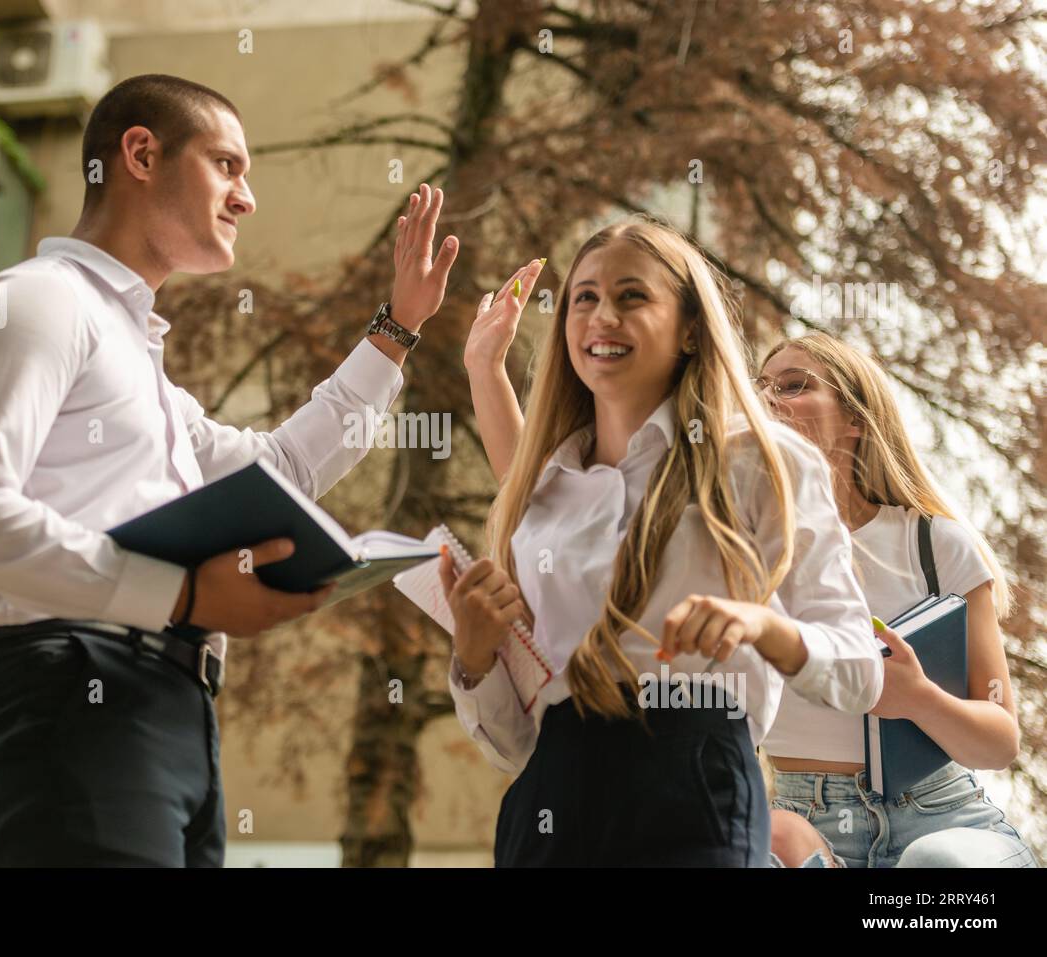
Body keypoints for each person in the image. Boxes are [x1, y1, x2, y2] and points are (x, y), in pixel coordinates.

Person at [0, 74, 460, 866]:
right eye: (227, 165)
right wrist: (180, 595)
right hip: (69, 689)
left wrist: (398, 327)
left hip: (167, 705)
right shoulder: (38, 302)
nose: (247, 198)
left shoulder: (141, 368)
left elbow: (285, 466)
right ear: (140, 154)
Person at [440, 217, 882, 866]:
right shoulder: (540, 496)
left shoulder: (762, 463)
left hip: (695, 786)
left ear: (691, 328)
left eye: (631, 295)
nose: (603, 316)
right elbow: (513, 745)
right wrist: (474, 657)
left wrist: (764, 626)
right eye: (584, 297)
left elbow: (860, 670)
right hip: (546, 807)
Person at [756, 333, 1038, 868]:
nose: (768, 398)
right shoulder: (733, 554)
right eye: (760, 388)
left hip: (944, 818)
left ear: (856, 419)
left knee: (936, 862)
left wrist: (917, 698)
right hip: (806, 826)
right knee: (772, 840)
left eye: (793, 386)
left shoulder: (933, 544)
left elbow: (1000, 743)